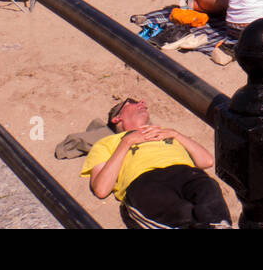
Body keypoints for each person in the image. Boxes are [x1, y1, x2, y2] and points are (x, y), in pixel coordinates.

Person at [82, 96, 231, 229]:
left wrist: (176, 134)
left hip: (185, 173)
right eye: (132, 102)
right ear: (117, 118)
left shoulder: (165, 132)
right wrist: (127, 142)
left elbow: (207, 161)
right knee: (180, 211)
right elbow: (101, 189)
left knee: (207, 188)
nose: (142, 102)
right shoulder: (107, 143)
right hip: (144, 181)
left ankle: (216, 224)